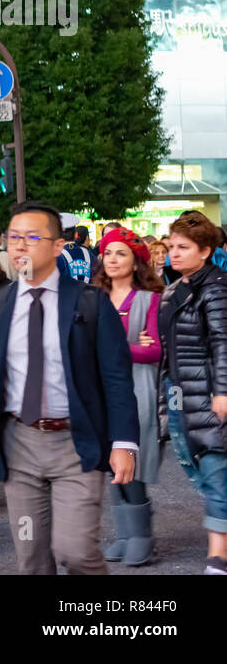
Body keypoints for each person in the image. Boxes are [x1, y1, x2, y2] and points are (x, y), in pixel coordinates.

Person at [0, 202, 139, 575]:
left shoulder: (91, 302)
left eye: (32, 238)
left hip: (76, 442)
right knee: (32, 556)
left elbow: (116, 377)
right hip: (19, 444)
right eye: (14, 238)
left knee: (75, 551)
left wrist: (123, 442)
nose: (20, 246)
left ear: (58, 247)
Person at [158, 210, 227, 575]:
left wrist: (223, 391)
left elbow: (221, 340)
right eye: (172, 247)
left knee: (214, 464)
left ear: (205, 251)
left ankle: (218, 557)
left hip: (207, 389)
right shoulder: (174, 288)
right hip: (176, 387)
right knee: (186, 455)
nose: (174, 253)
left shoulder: (215, 287)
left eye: (183, 247)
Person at [94, 227, 163, 567]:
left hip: (138, 390)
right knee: (111, 463)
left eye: (121, 253)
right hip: (99, 390)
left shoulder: (149, 299)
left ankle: (142, 537)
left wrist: (112, 349)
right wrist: (132, 346)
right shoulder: (93, 297)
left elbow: (154, 353)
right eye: (108, 253)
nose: (113, 259)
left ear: (137, 261)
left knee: (132, 459)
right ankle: (124, 534)